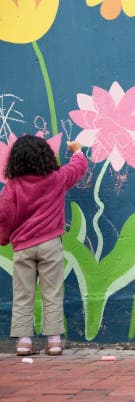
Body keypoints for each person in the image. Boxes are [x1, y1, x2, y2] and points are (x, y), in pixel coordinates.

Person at [0, 135, 87, 356]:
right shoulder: (57, 178)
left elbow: (4, 213)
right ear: (46, 156)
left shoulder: (13, 185)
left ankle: (24, 342)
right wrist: (77, 150)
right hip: (50, 244)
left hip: (23, 247)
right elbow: (78, 167)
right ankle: (54, 341)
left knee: (22, 295)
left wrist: (3, 237)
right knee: (52, 293)